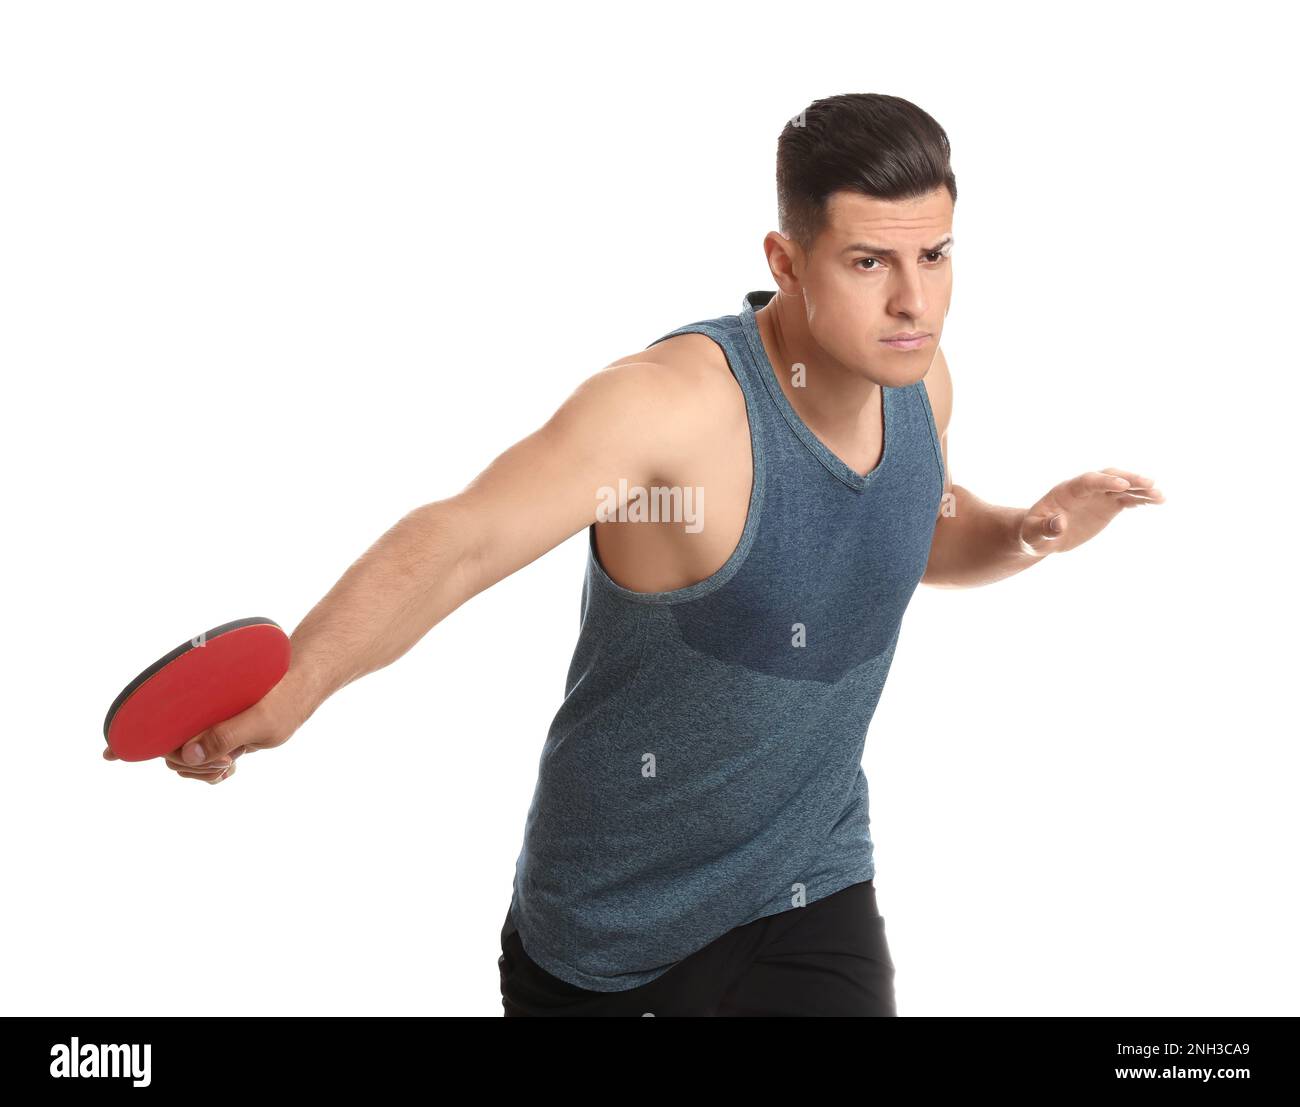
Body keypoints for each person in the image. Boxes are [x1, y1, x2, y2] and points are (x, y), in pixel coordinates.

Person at [105, 92, 1164, 1016]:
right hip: (608, 934)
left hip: (806, 881)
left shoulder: (921, 388)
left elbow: (910, 528)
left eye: (934, 257)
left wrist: (1025, 533)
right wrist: (298, 684)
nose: (913, 302)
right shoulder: (667, 416)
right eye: (868, 262)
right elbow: (461, 539)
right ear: (785, 262)